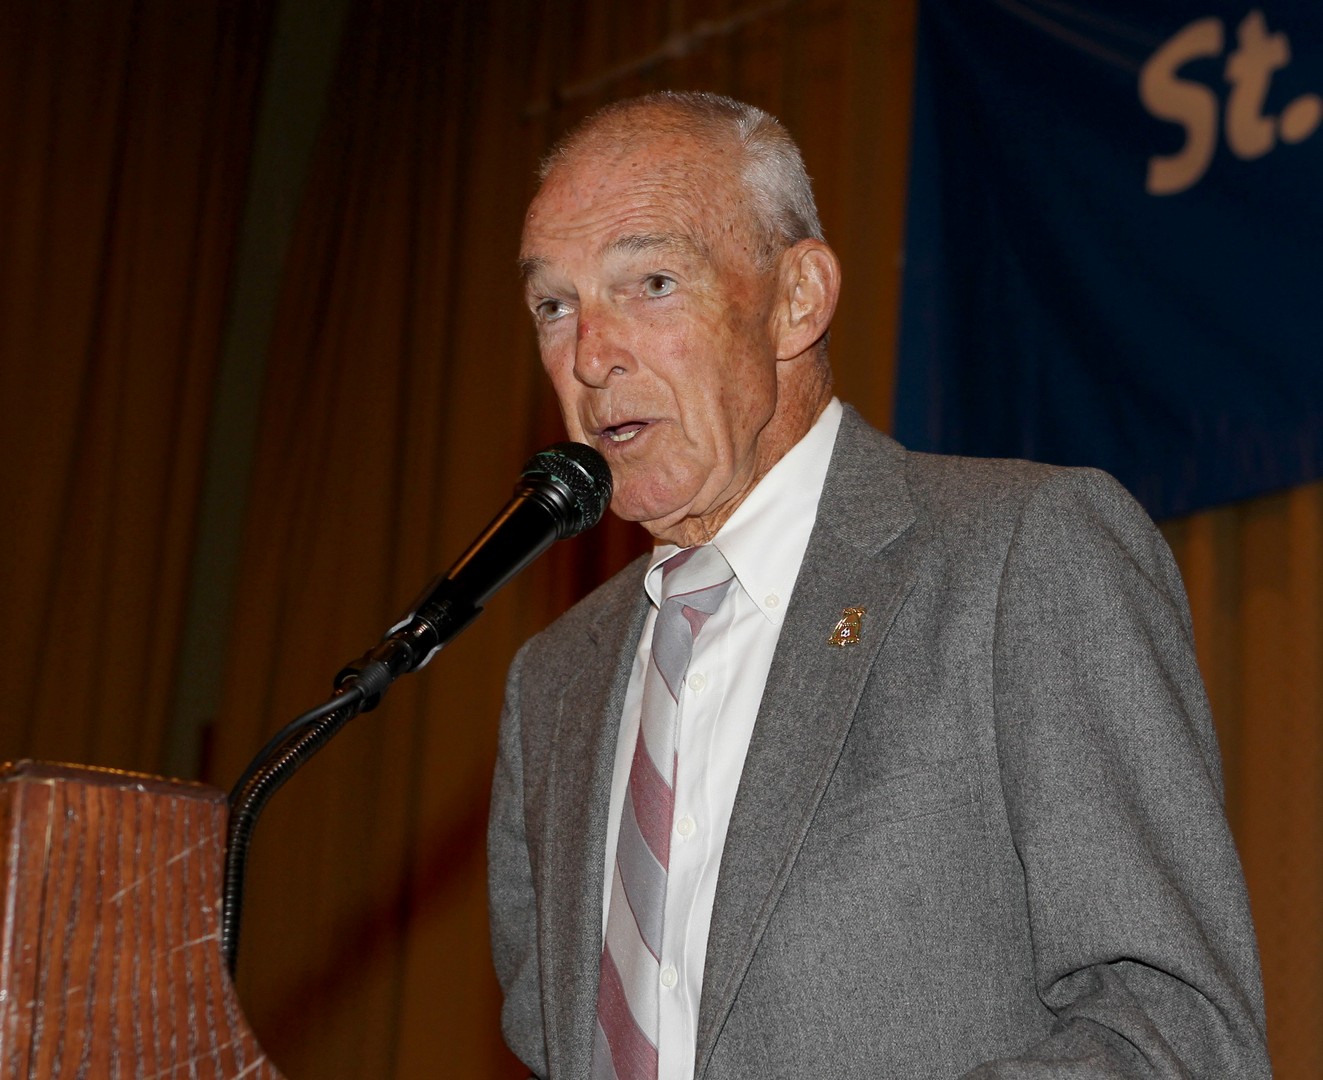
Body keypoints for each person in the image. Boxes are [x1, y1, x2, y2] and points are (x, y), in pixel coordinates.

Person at [487, 91, 1270, 1079]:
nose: (592, 356)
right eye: (555, 306)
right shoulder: (553, 685)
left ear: (798, 298)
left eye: (649, 282)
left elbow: (1176, 1035)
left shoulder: (1023, 553)